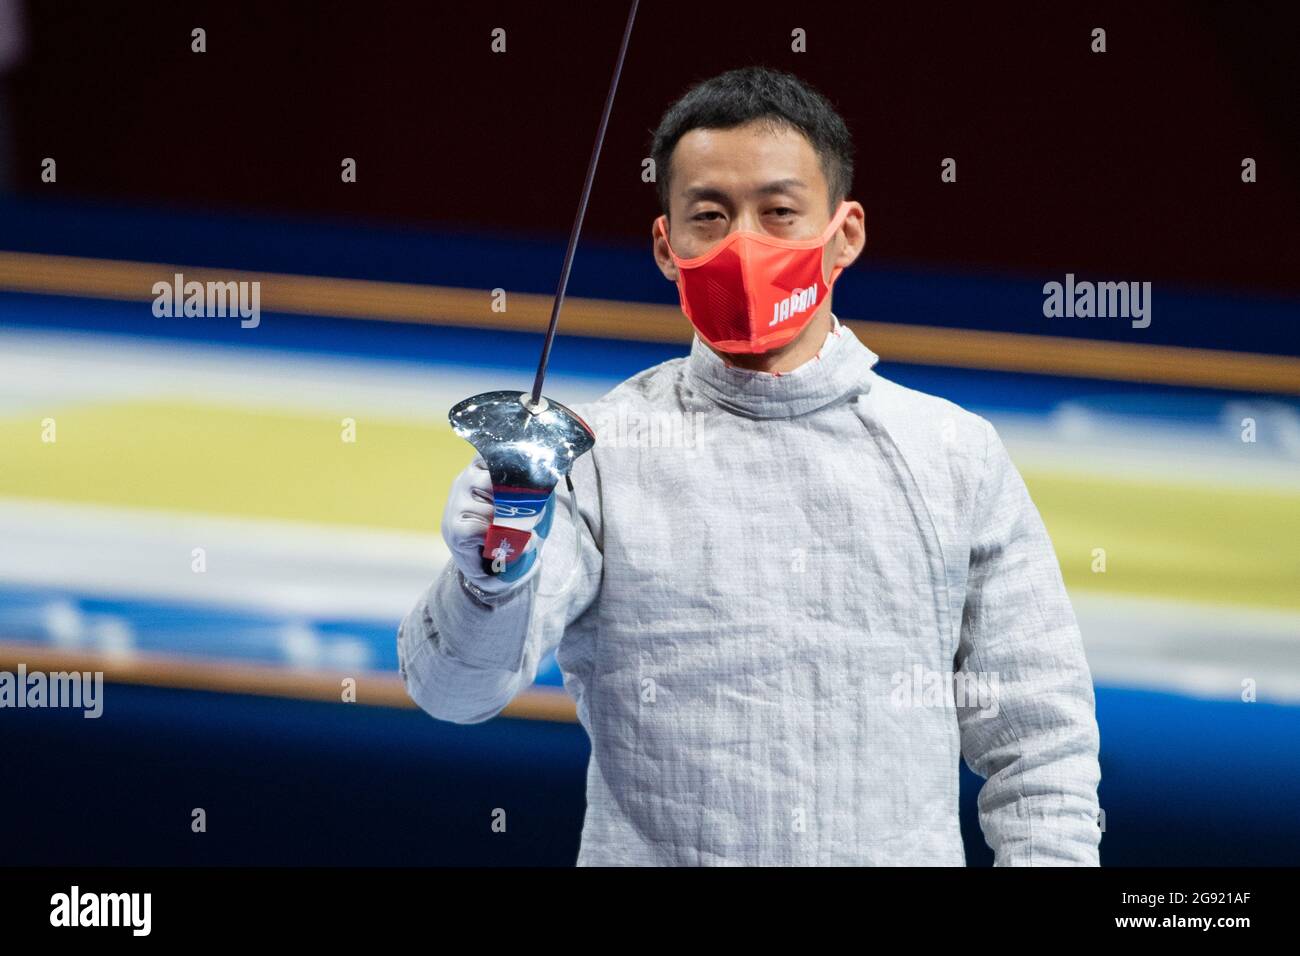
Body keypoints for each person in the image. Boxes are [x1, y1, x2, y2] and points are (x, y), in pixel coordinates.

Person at [398, 66, 1102, 866]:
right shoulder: (597, 455)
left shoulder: (951, 454)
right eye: (710, 215)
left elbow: (1042, 750)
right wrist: (487, 581)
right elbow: (457, 692)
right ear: (666, 245)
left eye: (778, 213)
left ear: (845, 234)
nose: (743, 245)